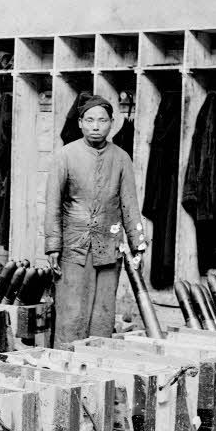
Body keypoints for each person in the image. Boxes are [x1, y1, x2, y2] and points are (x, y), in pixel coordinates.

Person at [44, 94, 146, 347]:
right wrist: (53, 246)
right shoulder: (65, 156)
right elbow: (53, 205)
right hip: (73, 246)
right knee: (71, 312)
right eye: (89, 120)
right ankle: (66, 368)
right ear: (80, 122)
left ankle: (97, 371)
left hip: (109, 246)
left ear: (112, 122)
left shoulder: (121, 158)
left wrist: (138, 245)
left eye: (102, 120)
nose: (96, 126)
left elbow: (130, 204)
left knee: (102, 313)